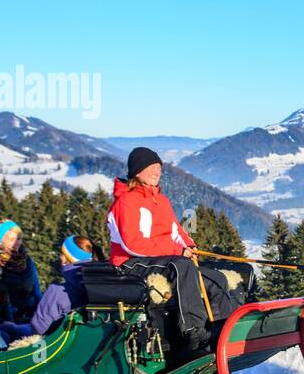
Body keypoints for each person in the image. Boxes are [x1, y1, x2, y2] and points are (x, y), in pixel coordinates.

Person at [107, 147, 216, 349]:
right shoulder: (126, 201)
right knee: (181, 267)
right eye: (152, 167)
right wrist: (176, 251)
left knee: (214, 276)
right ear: (137, 170)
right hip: (129, 263)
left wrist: (189, 246)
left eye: (159, 167)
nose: (157, 171)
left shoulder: (161, 201)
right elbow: (132, 244)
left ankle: (222, 329)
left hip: (160, 259)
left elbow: (176, 231)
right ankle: (193, 332)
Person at [25, 235, 99, 336]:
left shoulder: (56, 292)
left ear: (66, 258)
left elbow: (38, 328)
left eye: (62, 253)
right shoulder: (98, 287)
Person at [0, 219, 42, 323]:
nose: (18, 243)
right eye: (12, 239)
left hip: (30, 315)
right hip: (4, 319)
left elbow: (36, 290)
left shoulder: (26, 260)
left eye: (19, 239)